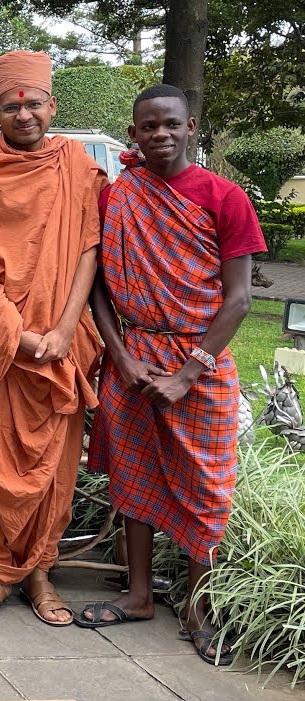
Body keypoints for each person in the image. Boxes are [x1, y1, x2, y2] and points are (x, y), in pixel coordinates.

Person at [76, 84, 263, 667]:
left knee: (203, 486)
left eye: (171, 124)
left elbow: (238, 301)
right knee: (133, 479)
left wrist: (188, 373)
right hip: (131, 357)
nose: (160, 134)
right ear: (133, 133)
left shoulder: (224, 197)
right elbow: (100, 286)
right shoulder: (120, 196)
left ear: (190, 127)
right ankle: (137, 596)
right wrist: (122, 356)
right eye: (148, 126)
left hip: (201, 362)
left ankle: (197, 607)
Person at [0, 50, 104, 626]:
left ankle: (40, 573)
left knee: (54, 465)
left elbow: (88, 249)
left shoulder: (78, 166)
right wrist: (11, 333)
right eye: (12, 106)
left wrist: (64, 330)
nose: (24, 114)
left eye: (34, 104)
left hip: (62, 341)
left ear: (51, 106)